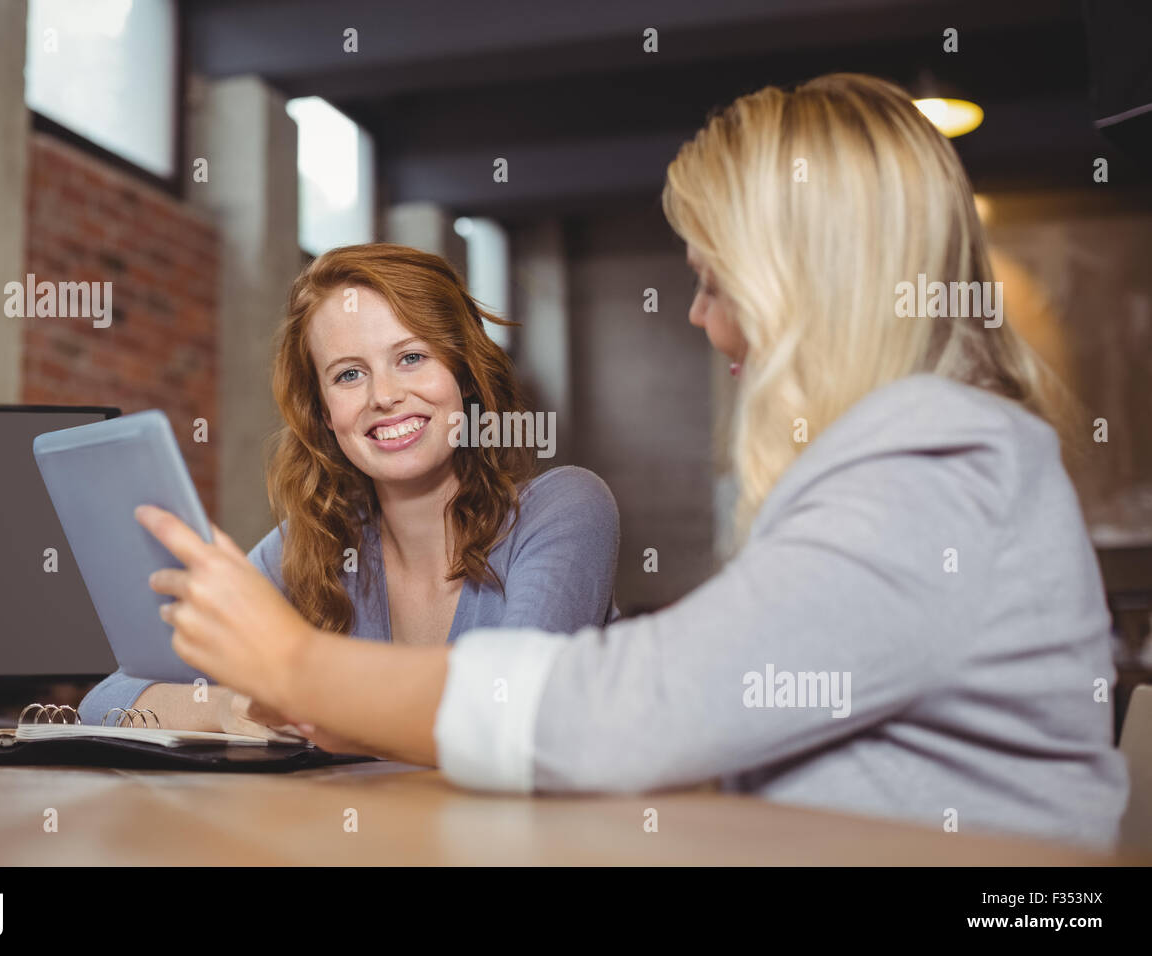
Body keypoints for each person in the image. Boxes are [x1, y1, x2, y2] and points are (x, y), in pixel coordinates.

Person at [136, 74, 1128, 847]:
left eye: (712, 281)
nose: (697, 316)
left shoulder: (934, 471)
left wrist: (300, 666)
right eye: (347, 375)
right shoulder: (923, 456)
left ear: (806, 280)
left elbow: (623, 710)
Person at [79, 244, 620, 734]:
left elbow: (508, 711)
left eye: (411, 357)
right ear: (324, 415)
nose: (384, 396)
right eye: (348, 375)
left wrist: (304, 680)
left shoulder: (565, 509)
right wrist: (227, 707)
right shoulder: (311, 547)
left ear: (466, 376)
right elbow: (108, 699)